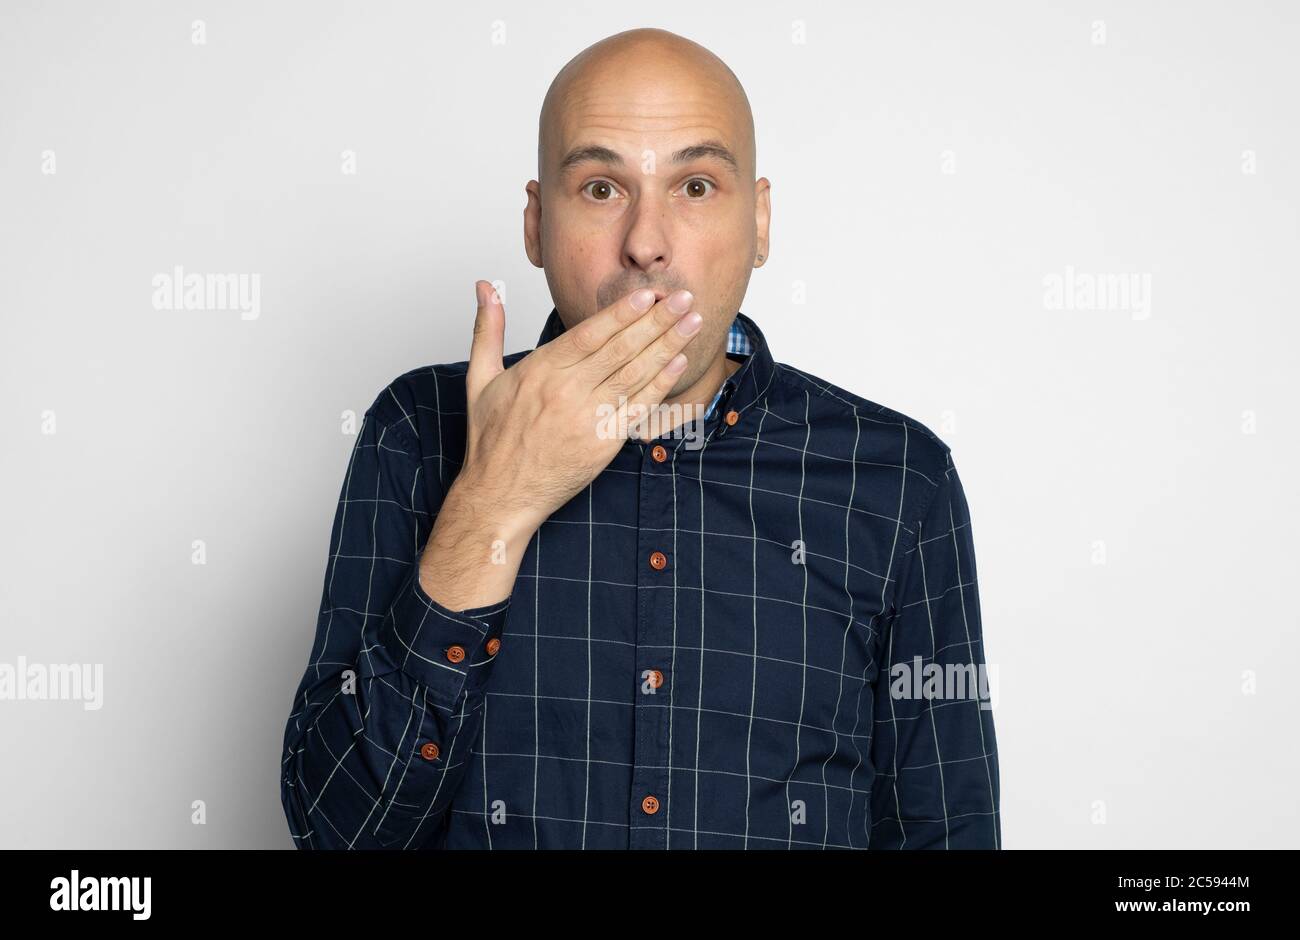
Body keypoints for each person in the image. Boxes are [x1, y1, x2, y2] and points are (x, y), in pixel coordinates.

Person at [279, 27, 1000, 850]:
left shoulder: (901, 480)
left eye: (695, 186)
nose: (646, 243)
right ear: (536, 223)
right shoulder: (416, 433)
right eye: (599, 189)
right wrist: (490, 505)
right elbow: (337, 834)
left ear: (759, 223)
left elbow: (949, 831)